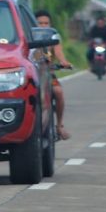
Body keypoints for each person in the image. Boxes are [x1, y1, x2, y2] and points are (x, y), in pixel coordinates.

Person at [36, 10, 73, 140]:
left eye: (46, 23)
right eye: (40, 23)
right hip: (33, 75)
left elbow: (58, 52)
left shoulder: (53, 36)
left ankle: (59, 126)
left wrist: (64, 62)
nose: (43, 26)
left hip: (48, 74)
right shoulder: (28, 35)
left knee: (58, 91)